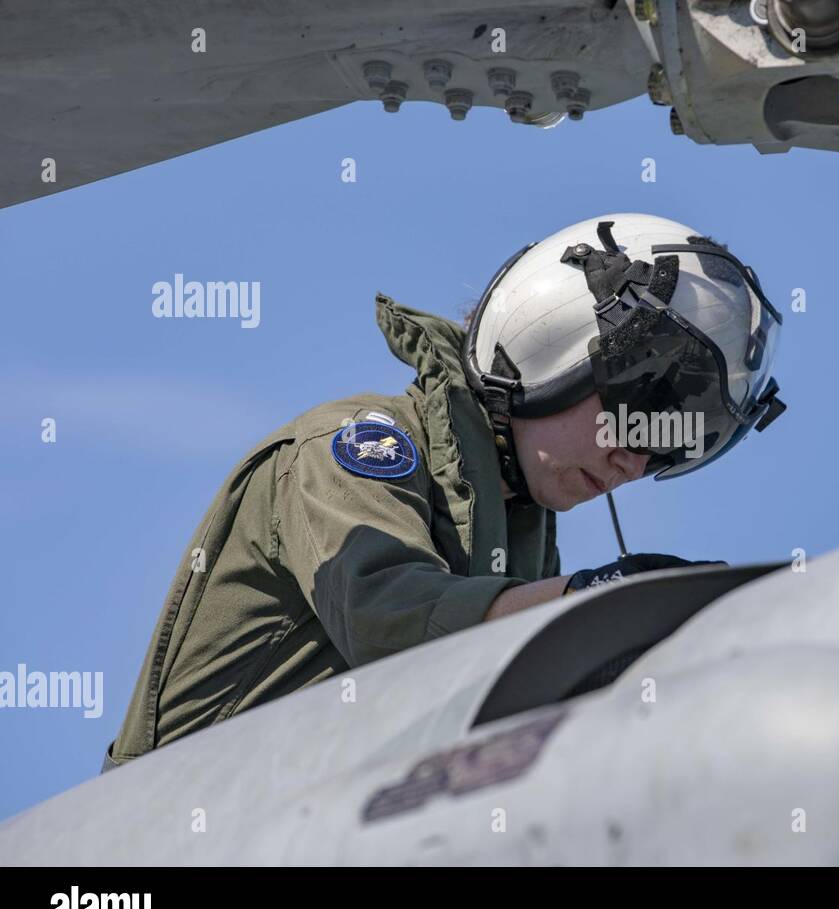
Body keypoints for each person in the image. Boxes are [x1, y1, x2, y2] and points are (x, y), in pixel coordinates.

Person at [102, 213, 787, 770]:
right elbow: (387, 617)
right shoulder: (355, 447)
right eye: (639, 407)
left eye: (670, 444)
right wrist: (598, 601)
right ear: (546, 345)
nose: (633, 465)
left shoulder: (520, 540)